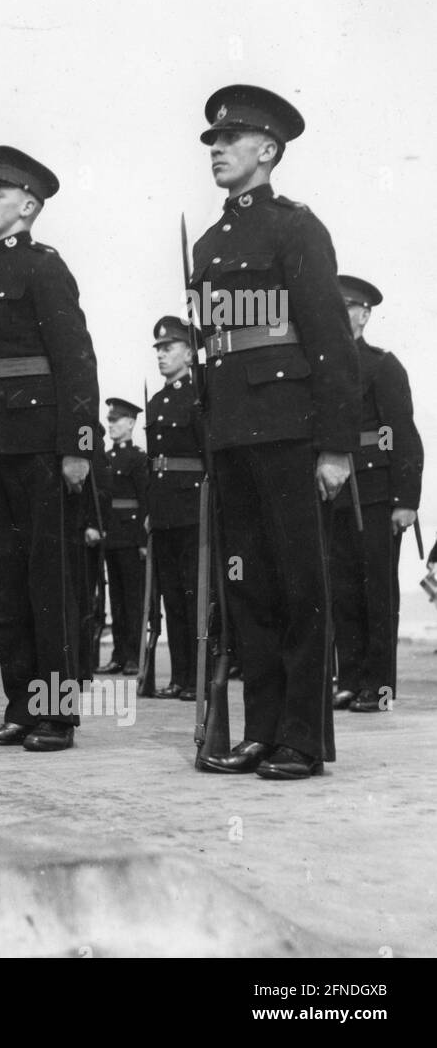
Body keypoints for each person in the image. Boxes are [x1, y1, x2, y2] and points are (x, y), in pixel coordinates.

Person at [190, 85, 360, 780]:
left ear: (268, 151)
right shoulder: (207, 242)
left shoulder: (296, 228)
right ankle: (259, 730)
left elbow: (328, 339)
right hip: (231, 431)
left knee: (298, 584)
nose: (218, 152)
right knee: (247, 588)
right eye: (213, 143)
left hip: (289, 429)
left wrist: (337, 444)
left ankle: (300, 737)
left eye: (231, 141)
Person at [0, 146, 99, 751]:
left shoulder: (44, 267)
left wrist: (78, 445)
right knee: (8, 585)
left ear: (29, 204)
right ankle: (21, 706)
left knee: (50, 585)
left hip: (42, 446)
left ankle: (56, 714)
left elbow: (76, 359)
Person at [329, 275, 423, 713]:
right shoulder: (322, 369)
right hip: (336, 496)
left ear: (364, 315)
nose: (340, 313)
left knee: (376, 593)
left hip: (376, 496)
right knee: (341, 591)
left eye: (348, 307)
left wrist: (405, 500)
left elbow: (400, 434)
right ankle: (348, 679)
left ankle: (379, 687)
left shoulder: (382, 366)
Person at [144, 317, 205, 701]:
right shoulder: (156, 402)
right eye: (159, 349)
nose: (162, 354)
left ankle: (198, 675)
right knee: (171, 596)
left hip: (193, 505)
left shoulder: (199, 395)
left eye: (169, 347)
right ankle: (180, 677)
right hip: (165, 508)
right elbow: (153, 462)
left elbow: (207, 455)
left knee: (193, 594)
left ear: (188, 351)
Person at [94, 399, 147, 678]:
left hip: (130, 534)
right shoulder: (107, 457)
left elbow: (145, 501)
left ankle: (134, 656)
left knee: (133, 599)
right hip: (111, 535)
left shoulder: (138, 458)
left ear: (130, 423)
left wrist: (143, 542)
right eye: (110, 420)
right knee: (115, 600)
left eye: (116, 420)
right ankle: (118, 654)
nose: (111, 425)